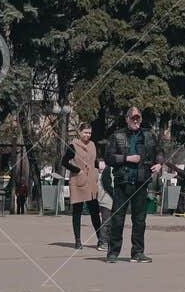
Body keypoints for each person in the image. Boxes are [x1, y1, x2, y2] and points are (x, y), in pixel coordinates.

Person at [103, 107, 162, 263]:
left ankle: (137, 253)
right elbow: (108, 157)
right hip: (123, 182)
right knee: (117, 219)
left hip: (141, 182)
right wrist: (127, 158)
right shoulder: (117, 136)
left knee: (140, 220)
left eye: (138, 118)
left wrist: (159, 164)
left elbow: (159, 152)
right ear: (127, 119)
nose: (136, 121)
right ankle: (113, 252)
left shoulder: (149, 135)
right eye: (133, 118)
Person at [61, 123, 104, 248]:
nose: (87, 135)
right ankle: (78, 240)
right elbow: (64, 162)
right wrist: (77, 170)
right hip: (77, 181)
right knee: (77, 211)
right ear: (79, 132)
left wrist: (97, 170)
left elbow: (95, 161)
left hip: (91, 181)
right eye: (85, 132)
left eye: (89, 133)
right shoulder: (73, 146)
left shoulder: (93, 145)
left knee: (95, 211)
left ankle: (100, 239)